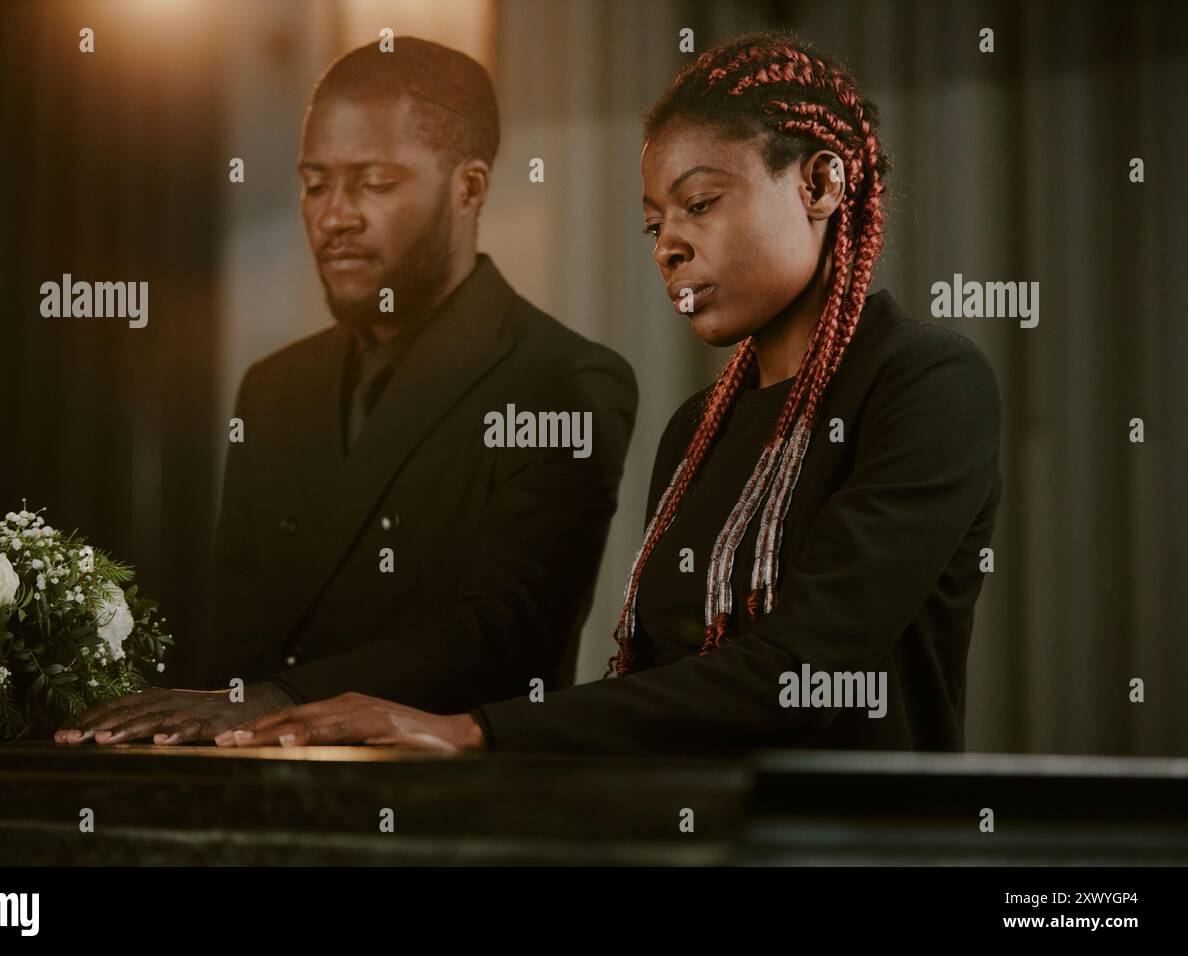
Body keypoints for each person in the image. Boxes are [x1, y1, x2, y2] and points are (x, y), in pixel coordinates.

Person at [219, 31, 1002, 756]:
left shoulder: (926, 383)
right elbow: (648, 688)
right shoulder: (698, 428)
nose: (668, 245)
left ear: (821, 183)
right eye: (652, 222)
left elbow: (796, 673)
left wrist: (473, 731)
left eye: (699, 204)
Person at [55, 38, 637, 747]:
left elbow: (504, 635)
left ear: (470, 187)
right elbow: (236, 645)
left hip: (450, 811)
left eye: (374, 182)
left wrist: (270, 701)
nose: (334, 217)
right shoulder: (273, 387)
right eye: (316, 182)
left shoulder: (564, 379)